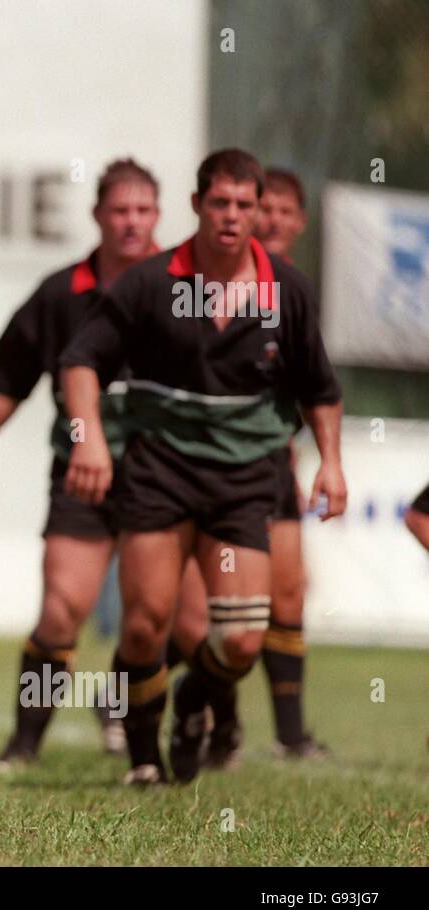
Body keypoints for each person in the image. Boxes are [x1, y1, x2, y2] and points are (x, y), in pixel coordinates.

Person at [59, 149, 346, 785]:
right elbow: (80, 364)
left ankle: (194, 697)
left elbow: (320, 389)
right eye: (221, 203)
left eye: (246, 205)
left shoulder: (287, 290)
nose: (233, 217)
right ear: (196, 205)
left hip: (243, 482)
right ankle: (143, 761)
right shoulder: (150, 282)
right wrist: (89, 440)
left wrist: (331, 462)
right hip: (160, 475)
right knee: (143, 627)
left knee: (242, 638)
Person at [0, 159, 160, 770]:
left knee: (162, 618)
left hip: (166, 477)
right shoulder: (61, 293)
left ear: (160, 216)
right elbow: (12, 380)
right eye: (120, 210)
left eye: (143, 210)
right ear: (98, 215)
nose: (131, 222)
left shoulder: (184, 289)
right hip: (82, 474)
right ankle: (22, 747)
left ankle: (123, 711)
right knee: (62, 610)